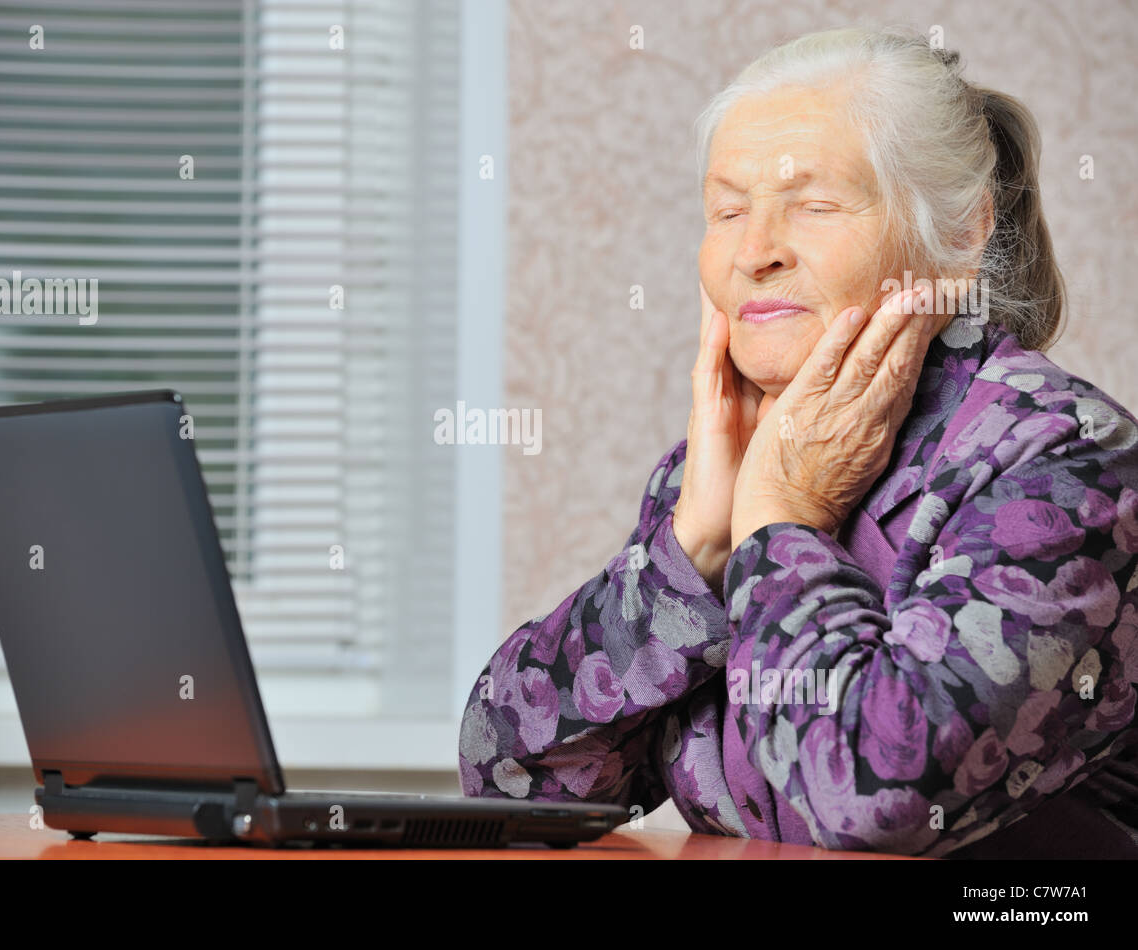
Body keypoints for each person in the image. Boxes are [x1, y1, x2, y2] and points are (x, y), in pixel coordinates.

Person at [458, 26, 1138, 857]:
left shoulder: (1068, 460)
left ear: (959, 237)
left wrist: (781, 524)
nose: (755, 252)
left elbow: (876, 801)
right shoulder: (719, 470)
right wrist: (694, 549)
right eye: (728, 210)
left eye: (815, 208)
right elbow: (510, 777)